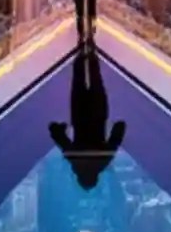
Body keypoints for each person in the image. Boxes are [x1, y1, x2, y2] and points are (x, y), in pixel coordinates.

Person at [48, 48, 127, 191]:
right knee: (78, 76)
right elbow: (58, 136)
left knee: (96, 76)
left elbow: (118, 133)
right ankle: (80, 50)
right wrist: (59, 128)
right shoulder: (75, 160)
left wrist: (117, 126)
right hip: (79, 112)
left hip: (99, 112)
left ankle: (91, 51)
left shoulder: (103, 161)